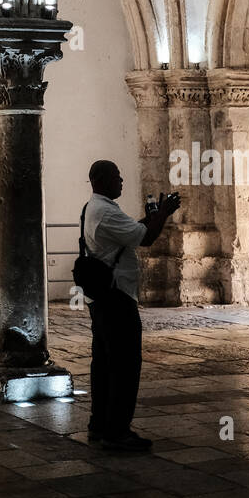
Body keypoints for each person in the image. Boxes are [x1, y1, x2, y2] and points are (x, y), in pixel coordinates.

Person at [81, 160, 180, 453]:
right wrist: (162, 215)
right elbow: (145, 238)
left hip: (101, 298)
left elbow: (131, 230)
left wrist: (155, 216)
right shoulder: (106, 212)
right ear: (100, 179)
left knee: (103, 364)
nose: (121, 181)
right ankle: (117, 432)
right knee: (125, 365)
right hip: (116, 298)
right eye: (116, 176)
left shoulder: (96, 208)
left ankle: (99, 426)